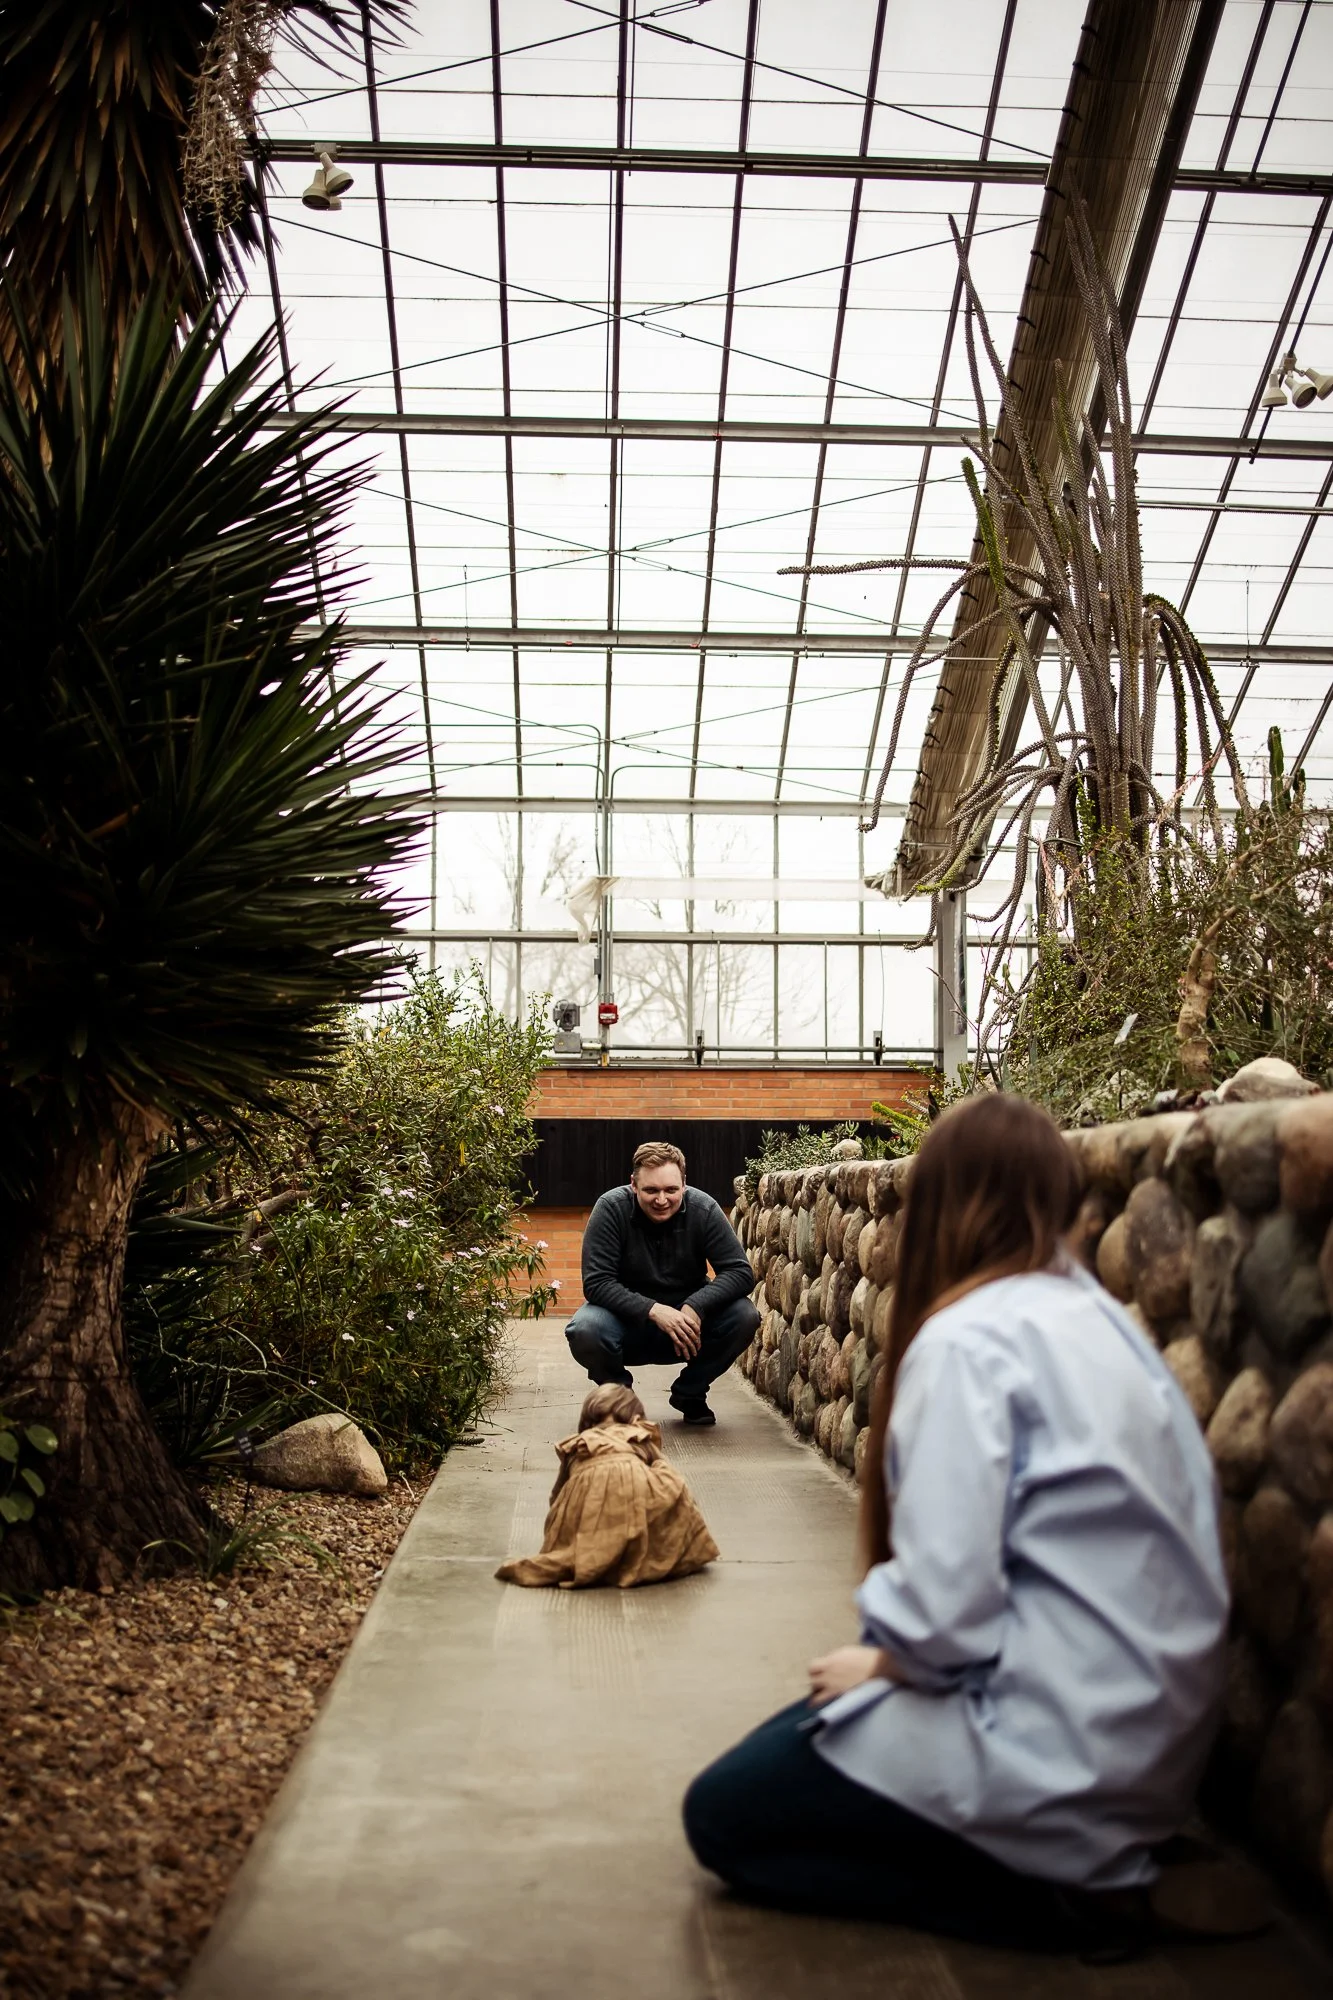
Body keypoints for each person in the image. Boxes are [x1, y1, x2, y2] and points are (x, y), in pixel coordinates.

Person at [683, 1094, 1234, 1955]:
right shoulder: (1099, 1321)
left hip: (1050, 1748)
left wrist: (885, 1660)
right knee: (793, 1741)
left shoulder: (967, 1340)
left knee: (724, 1816)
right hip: (1146, 1742)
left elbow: (950, 1607)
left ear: (939, 1207)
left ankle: (1042, 1896)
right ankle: (1071, 1863)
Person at [564, 1140, 761, 1427]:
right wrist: (654, 1310)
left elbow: (740, 1272)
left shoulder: (704, 1209)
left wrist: (696, 1305)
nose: (661, 1200)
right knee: (584, 1329)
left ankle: (690, 1393)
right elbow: (597, 1283)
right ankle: (621, 1400)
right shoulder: (610, 1208)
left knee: (744, 1316)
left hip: (687, 1329)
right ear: (633, 1185)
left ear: (684, 1183)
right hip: (624, 1324)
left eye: (671, 1190)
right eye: (651, 1190)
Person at [494, 1382, 719, 1590]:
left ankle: (593, 1553)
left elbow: (559, 1493)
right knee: (671, 1484)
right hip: (636, 1493)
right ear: (635, 1417)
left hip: (589, 1505)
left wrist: (561, 1524)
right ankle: (661, 1548)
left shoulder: (578, 1444)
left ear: (588, 1420)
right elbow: (665, 1468)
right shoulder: (638, 1435)